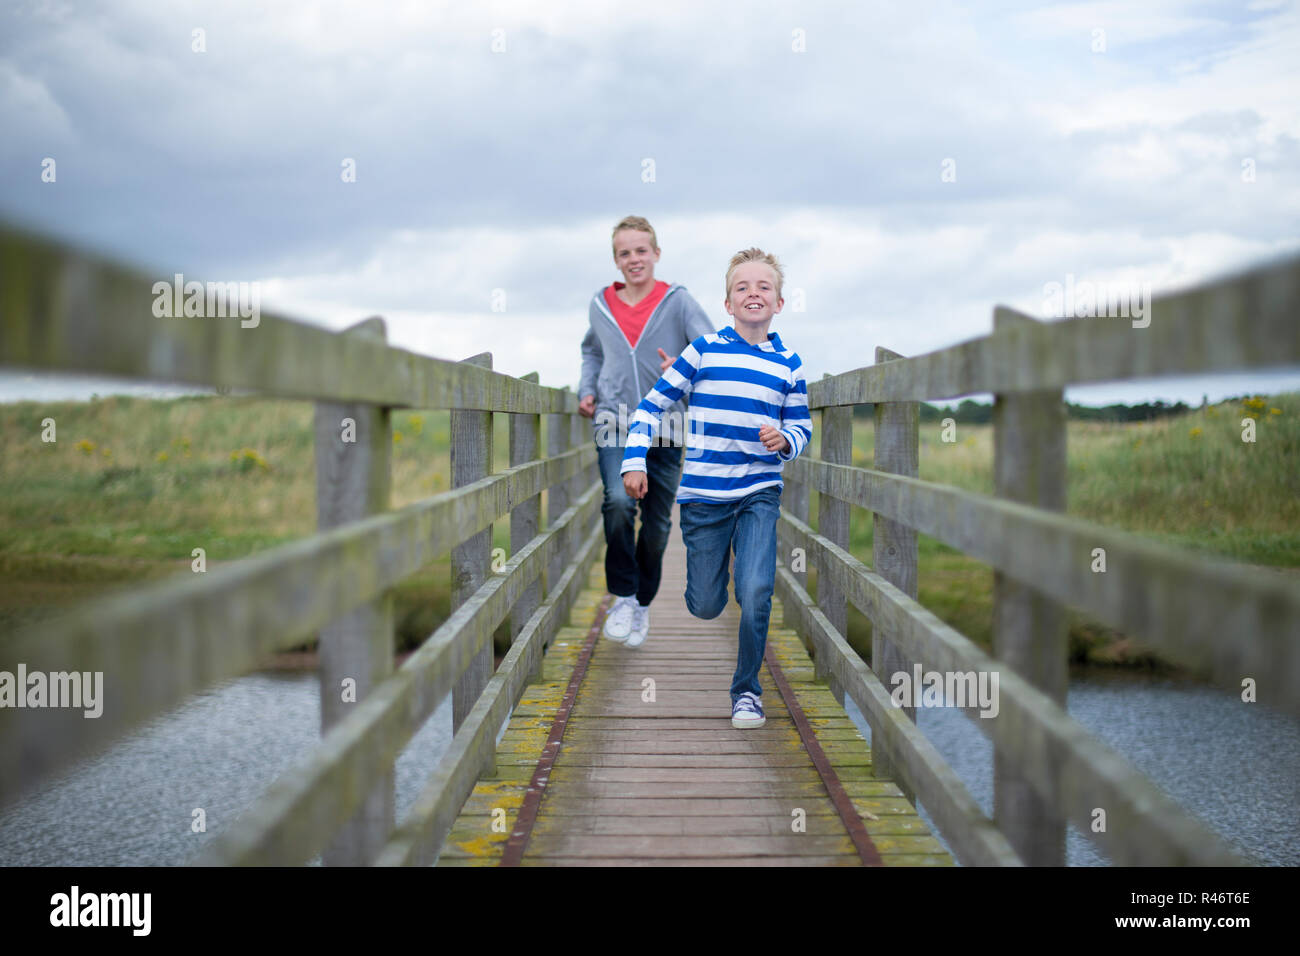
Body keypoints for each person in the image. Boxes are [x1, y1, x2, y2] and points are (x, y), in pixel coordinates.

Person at [620, 248, 812, 728]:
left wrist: (785, 440)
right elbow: (650, 407)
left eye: (763, 287)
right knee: (707, 605)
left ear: (779, 302)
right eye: (742, 287)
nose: (753, 293)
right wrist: (634, 458)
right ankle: (711, 585)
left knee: (757, 588)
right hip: (704, 497)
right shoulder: (703, 350)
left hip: (759, 491)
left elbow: (802, 428)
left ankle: (746, 691)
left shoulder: (789, 364)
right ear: (728, 304)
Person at [579, 215, 714, 648]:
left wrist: (684, 369)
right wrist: (586, 389)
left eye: (641, 250)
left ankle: (641, 604)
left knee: (655, 527)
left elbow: (710, 349)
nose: (634, 259)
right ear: (615, 261)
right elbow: (591, 352)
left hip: (666, 424)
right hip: (614, 423)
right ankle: (620, 595)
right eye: (625, 253)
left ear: (656, 253)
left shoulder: (679, 302)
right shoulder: (600, 305)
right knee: (618, 502)